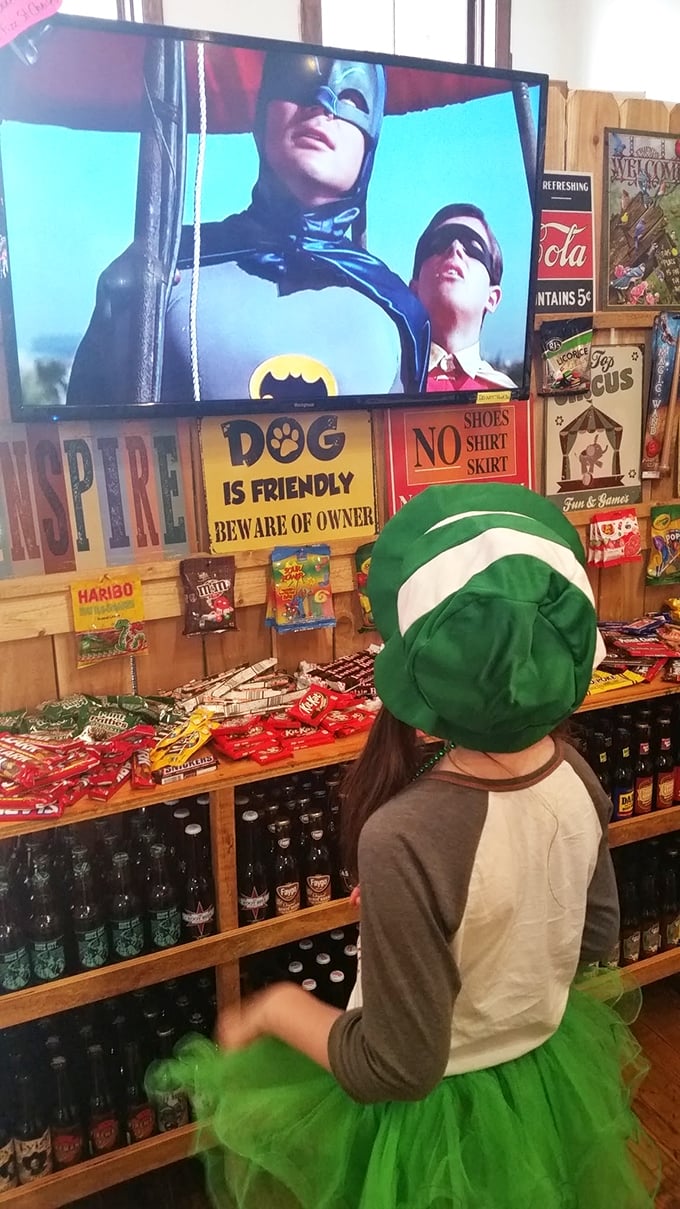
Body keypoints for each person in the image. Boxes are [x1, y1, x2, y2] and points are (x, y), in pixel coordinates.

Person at [148, 481, 657, 1209]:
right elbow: (594, 935)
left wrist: (274, 1007)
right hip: (544, 1083)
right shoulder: (575, 773)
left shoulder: (403, 834)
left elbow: (396, 1065)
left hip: (430, 1132)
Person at [67, 51, 430, 408]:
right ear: (262, 117)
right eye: (297, 83)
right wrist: (113, 319)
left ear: (371, 143)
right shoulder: (168, 267)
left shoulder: (400, 311)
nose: (322, 102)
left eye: (352, 96)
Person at [411, 203, 517, 392]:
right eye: (439, 244)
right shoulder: (384, 382)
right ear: (414, 290)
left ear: (492, 298)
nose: (455, 248)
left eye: (473, 248)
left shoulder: (506, 396)